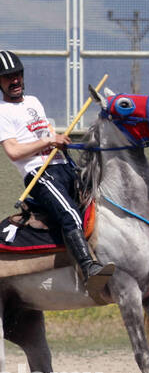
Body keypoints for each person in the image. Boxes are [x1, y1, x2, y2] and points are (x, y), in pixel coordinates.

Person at [0, 51, 116, 298]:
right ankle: (89, 269)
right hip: (39, 175)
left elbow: (46, 131)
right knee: (70, 213)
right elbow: (13, 151)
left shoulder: (34, 101)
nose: (15, 80)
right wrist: (48, 141)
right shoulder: (2, 112)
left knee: (106, 200)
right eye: (7, 77)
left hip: (64, 165)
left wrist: (58, 140)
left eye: (17, 75)